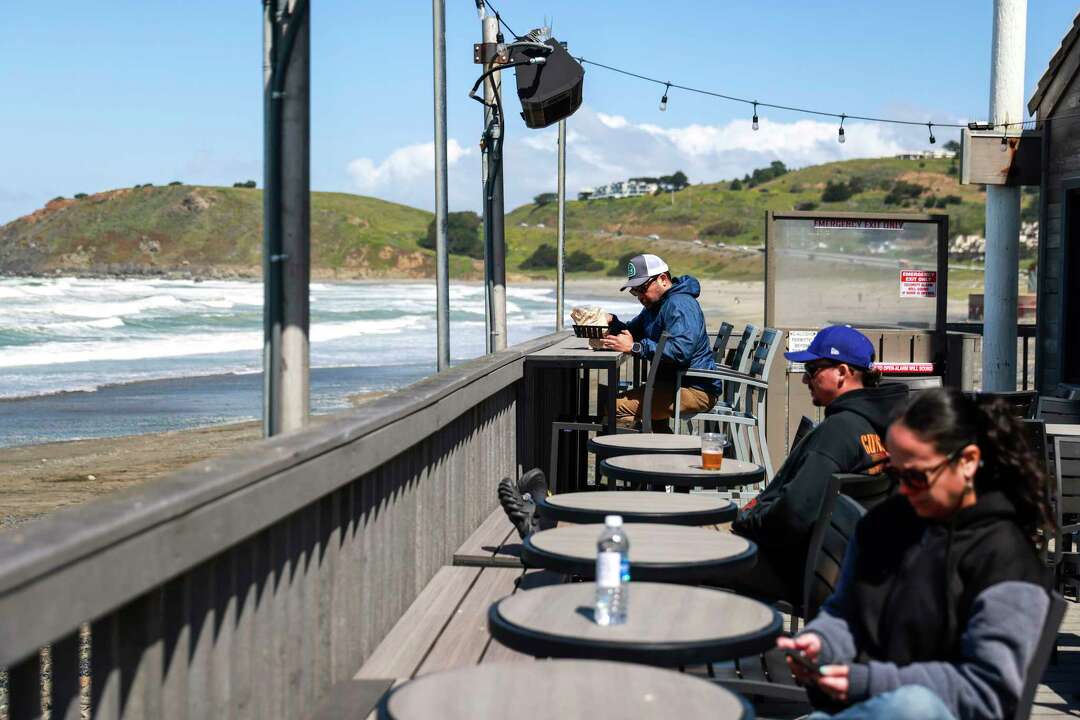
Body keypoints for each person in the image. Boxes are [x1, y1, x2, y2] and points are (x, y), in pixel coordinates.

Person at [778, 388, 1054, 720]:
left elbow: (988, 690)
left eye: (917, 476)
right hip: (865, 707)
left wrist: (869, 682)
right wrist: (821, 643)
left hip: (929, 711)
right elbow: (846, 614)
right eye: (895, 473)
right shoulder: (886, 522)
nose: (904, 489)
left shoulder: (1004, 556)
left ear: (967, 461)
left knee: (912, 707)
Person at [728, 325, 908, 603]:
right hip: (831, 568)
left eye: (812, 369)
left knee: (678, 545)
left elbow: (793, 516)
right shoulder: (879, 429)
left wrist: (746, 521)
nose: (805, 379)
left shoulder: (838, 431)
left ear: (843, 372)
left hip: (788, 567)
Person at [599, 253, 721, 430]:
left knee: (612, 407)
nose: (639, 296)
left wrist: (634, 347)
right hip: (673, 383)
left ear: (663, 279)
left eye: (642, 288)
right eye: (635, 292)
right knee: (628, 408)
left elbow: (680, 351)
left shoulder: (680, 304)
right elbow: (633, 331)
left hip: (695, 389)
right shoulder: (655, 306)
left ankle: (642, 453)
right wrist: (613, 322)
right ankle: (659, 452)